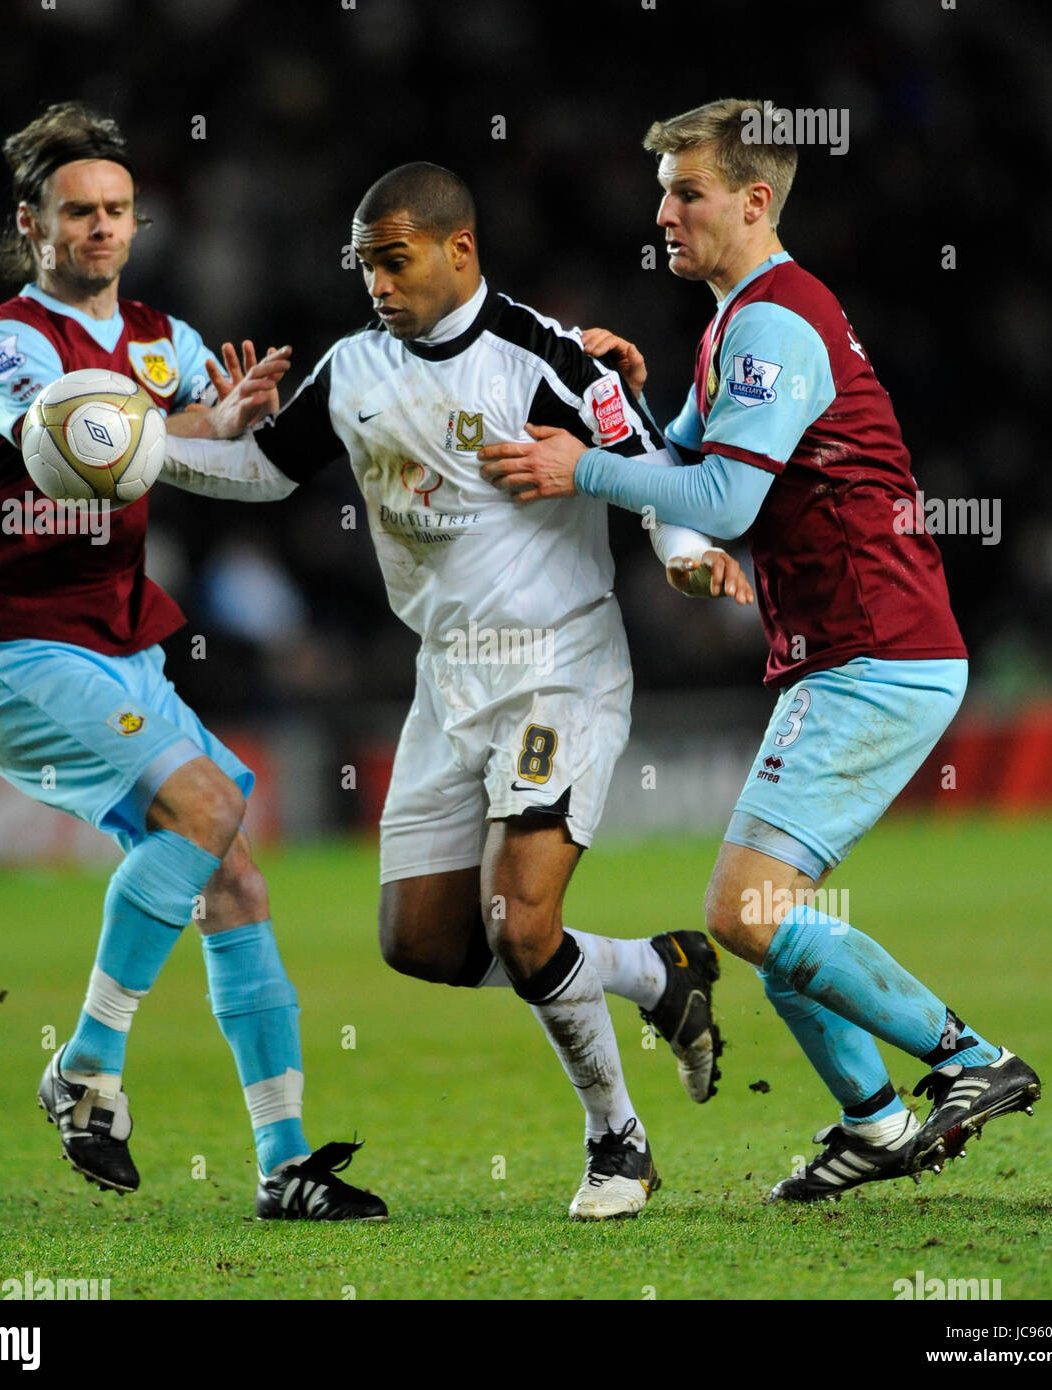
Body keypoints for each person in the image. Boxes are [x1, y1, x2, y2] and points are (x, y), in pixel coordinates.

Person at [478, 99, 1041, 1202]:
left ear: (753, 199)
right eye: (663, 190)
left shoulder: (777, 322)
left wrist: (576, 469)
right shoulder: (741, 316)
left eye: (685, 191)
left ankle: (970, 1059)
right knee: (767, 917)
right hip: (845, 648)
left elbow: (726, 496)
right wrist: (617, 407)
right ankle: (875, 1122)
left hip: (876, 646)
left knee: (747, 907)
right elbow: (682, 451)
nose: (663, 211)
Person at [182, 161, 753, 1219]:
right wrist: (141, 455)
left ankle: (617, 1141)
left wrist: (680, 550)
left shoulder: (548, 357)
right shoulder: (354, 367)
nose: (376, 285)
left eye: (393, 262)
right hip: (445, 682)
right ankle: (652, 973)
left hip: (556, 669)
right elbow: (266, 468)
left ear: (460, 249)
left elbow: (650, 465)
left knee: (521, 922)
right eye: (364, 266)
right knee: (423, 944)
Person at [0, 102, 386, 1222]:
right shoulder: (9, 341)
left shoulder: (161, 336)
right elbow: (79, 442)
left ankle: (284, 1166)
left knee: (234, 872)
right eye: (77, 212)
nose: (100, 228)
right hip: (22, 643)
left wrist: (232, 423)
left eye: (118, 211)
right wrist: (186, 424)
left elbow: (186, 452)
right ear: (31, 223)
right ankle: (85, 1064)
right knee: (210, 798)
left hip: (120, 645)